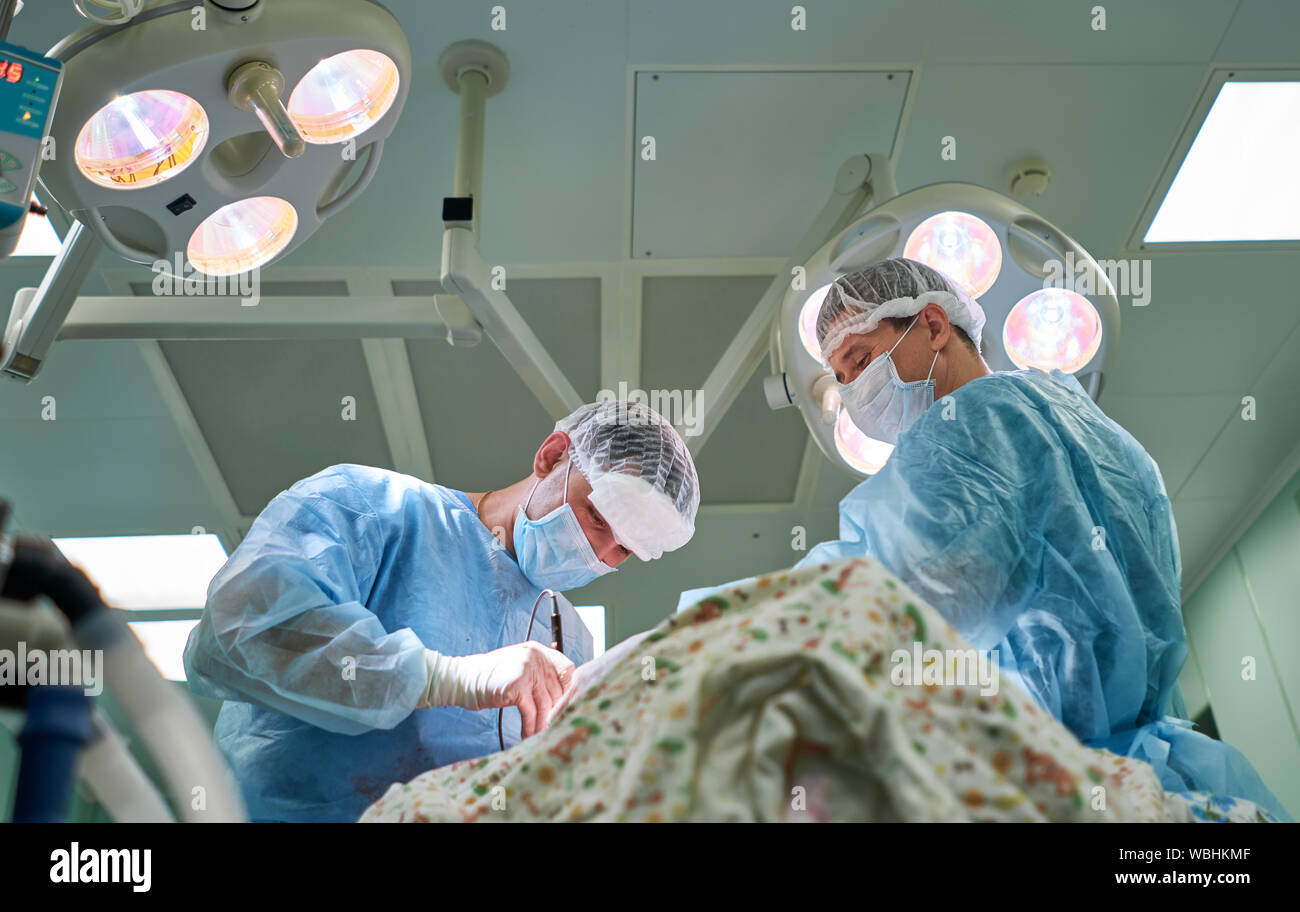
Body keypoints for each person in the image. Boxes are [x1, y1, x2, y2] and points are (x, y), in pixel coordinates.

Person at [796, 256, 1288, 820]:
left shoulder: (964, 432)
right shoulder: (1080, 419)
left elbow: (924, 609)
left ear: (933, 326)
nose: (854, 392)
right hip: (1166, 786)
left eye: (859, 362)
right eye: (840, 380)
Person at [183, 400, 700, 822]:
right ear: (553, 455)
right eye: (597, 518)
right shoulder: (371, 507)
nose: (599, 552)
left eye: (625, 550)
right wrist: (444, 678)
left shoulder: (573, 642)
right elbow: (238, 631)